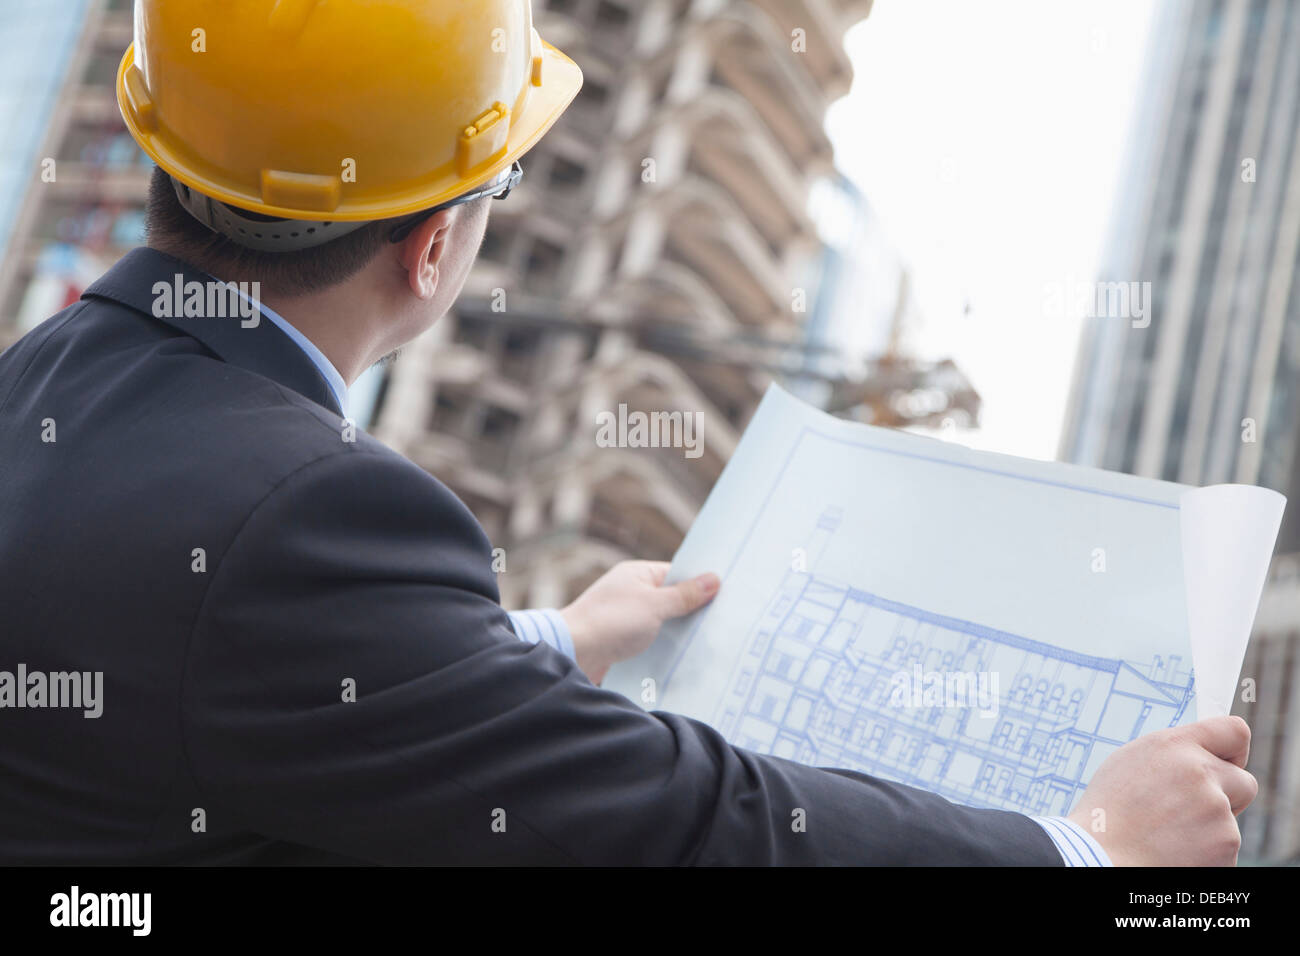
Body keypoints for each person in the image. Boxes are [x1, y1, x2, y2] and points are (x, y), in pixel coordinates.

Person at [0, 0, 1255, 865]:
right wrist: (1081, 845)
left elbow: (219, 664)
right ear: (435, 244)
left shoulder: (51, 379)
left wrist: (540, 641)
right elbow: (677, 825)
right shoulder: (300, 512)